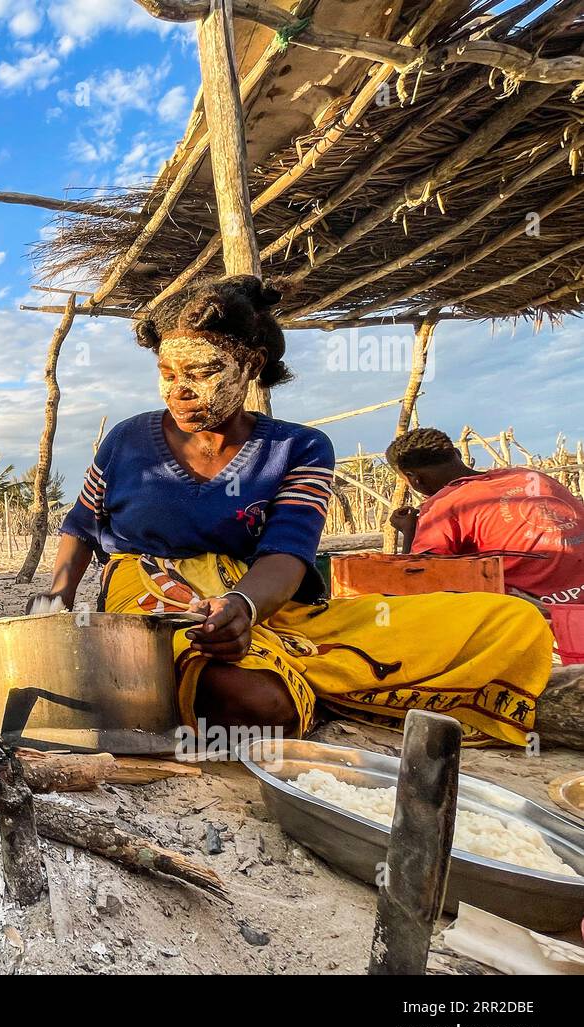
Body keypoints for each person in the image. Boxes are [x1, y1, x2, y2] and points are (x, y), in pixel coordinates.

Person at [38, 275, 553, 747]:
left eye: (201, 370)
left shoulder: (299, 448)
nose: (180, 390)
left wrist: (242, 607)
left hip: (270, 600)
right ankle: (322, 683)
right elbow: (81, 527)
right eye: (167, 372)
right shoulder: (128, 440)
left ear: (252, 365)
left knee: (510, 619)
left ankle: (299, 670)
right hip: (155, 592)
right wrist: (56, 602)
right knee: (252, 702)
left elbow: (288, 551)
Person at [387, 427, 584, 609]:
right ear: (457, 454)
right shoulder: (532, 477)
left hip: (540, 614)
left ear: (414, 479)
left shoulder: (444, 504)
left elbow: (415, 580)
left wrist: (410, 531)